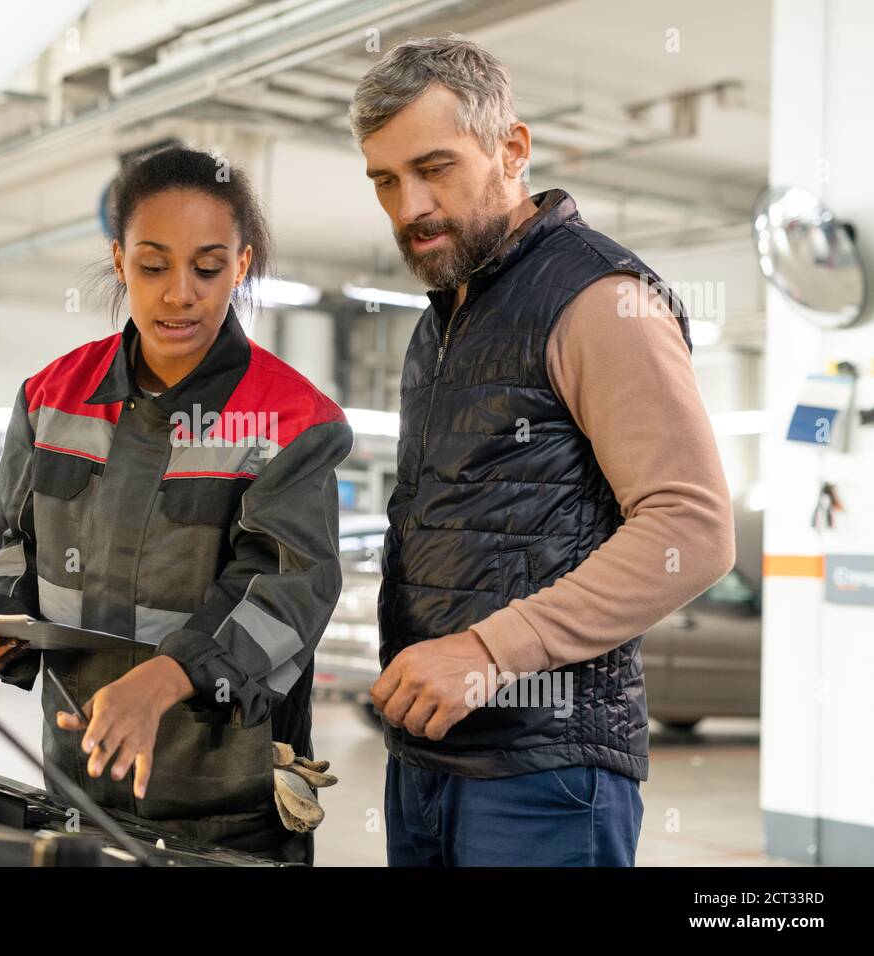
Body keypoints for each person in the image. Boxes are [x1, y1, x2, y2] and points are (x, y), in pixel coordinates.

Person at [350, 35, 735, 865]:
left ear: (512, 149)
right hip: (427, 759)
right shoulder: (442, 319)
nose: (409, 204)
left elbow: (691, 531)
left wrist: (490, 651)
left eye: (435, 167)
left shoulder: (597, 298)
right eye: (385, 179)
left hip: (547, 777)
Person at [0, 146, 352, 863]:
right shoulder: (51, 396)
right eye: (153, 265)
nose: (179, 294)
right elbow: (17, 547)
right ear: (119, 258)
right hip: (74, 791)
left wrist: (166, 679)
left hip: (227, 813)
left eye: (209, 266)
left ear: (243, 264)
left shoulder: (292, 419)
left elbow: (288, 590)